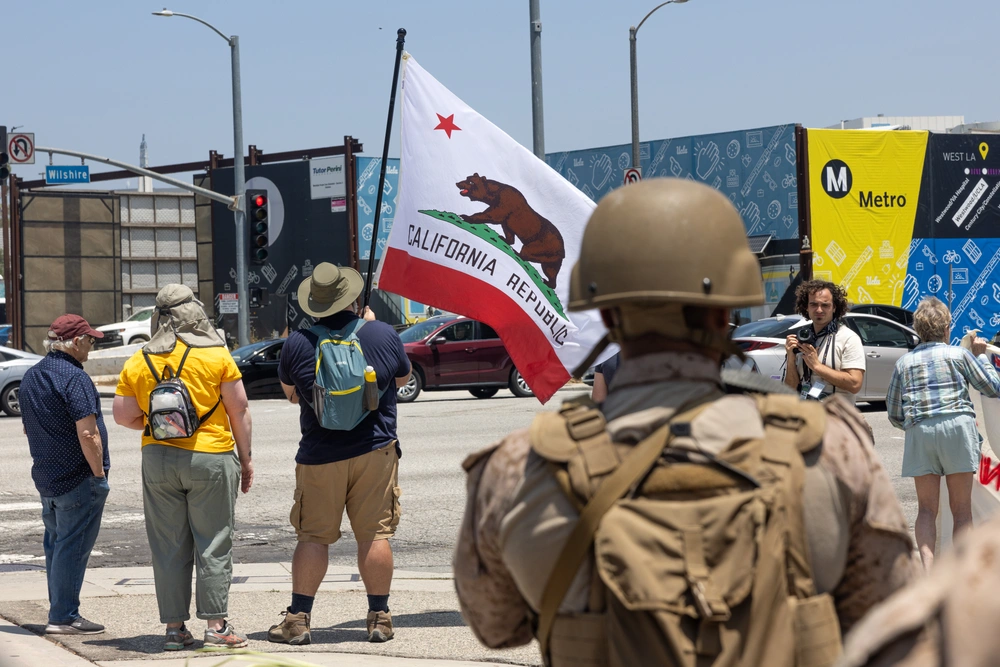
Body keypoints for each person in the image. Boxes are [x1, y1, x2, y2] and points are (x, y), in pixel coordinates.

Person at [454, 179, 919, 666]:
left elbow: (496, 625)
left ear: (608, 315)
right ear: (726, 315)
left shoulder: (519, 467)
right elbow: (890, 622)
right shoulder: (831, 448)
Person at [268, 263, 411, 646]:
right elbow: (401, 381)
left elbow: (292, 394)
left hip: (320, 454)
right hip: (375, 450)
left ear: (314, 304)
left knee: (313, 536)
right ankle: (379, 617)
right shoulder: (382, 334)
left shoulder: (297, 343)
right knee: (375, 535)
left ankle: (298, 620)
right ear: (352, 298)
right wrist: (372, 328)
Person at [112, 285, 253, 651]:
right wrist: (247, 460)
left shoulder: (139, 359)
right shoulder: (215, 356)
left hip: (157, 458)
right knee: (214, 541)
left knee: (168, 546)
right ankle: (216, 626)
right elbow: (238, 409)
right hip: (210, 457)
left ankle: (175, 628)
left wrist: (161, 426)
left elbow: (124, 416)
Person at [885, 296, 1000, 572]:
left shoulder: (904, 363)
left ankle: (927, 572)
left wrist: (914, 427)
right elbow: (992, 387)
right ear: (947, 327)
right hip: (957, 428)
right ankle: (960, 575)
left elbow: (893, 411)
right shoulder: (959, 355)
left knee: (926, 510)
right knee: (961, 509)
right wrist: (982, 356)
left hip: (920, 431)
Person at [20, 314, 110, 635]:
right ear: (75, 342)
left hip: (48, 478)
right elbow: (89, 434)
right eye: (88, 340)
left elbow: (30, 428)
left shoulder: (32, 376)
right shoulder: (74, 378)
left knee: (56, 545)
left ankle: (59, 610)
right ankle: (64, 616)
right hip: (78, 479)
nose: (91, 345)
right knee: (72, 547)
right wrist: (99, 474)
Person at [783, 280, 866, 402]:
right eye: (814, 304)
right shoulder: (803, 338)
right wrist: (791, 359)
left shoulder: (848, 338)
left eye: (825, 305)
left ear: (834, 307)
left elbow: (855, 384)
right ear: (806, 307)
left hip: (836, 416)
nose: (819, 310)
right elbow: (790, 388)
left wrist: (816, 366)